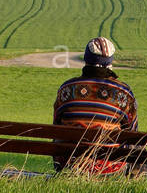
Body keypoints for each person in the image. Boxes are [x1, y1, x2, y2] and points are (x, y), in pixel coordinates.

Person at [52, 36, 138, 175]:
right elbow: (132, 132)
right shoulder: (123, 92)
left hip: (70, 163)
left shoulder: (67, 88)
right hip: (110, 165)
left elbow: (56, 126)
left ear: (86, 59)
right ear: (110, 61)